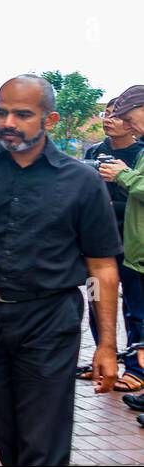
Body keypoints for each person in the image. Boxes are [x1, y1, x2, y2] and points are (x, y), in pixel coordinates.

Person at [0, 74, 121, 466]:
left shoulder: (82, 181)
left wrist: (107, 345)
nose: (9, 122)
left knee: (43, 439)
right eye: (3, 112)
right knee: (4, 430)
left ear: (49, 120)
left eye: (23, 114)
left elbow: (102, 265)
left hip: (50, 317)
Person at [85, 99, 144, 364]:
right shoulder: (95, 151)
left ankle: (134, 367)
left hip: (130, 242)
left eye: (117, 116)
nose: (108, 120)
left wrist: (122, 180)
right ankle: (102, 354)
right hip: (97, 243)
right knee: (96, 298)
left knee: (134, 307)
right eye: (106, 114)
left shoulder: (140, 153)